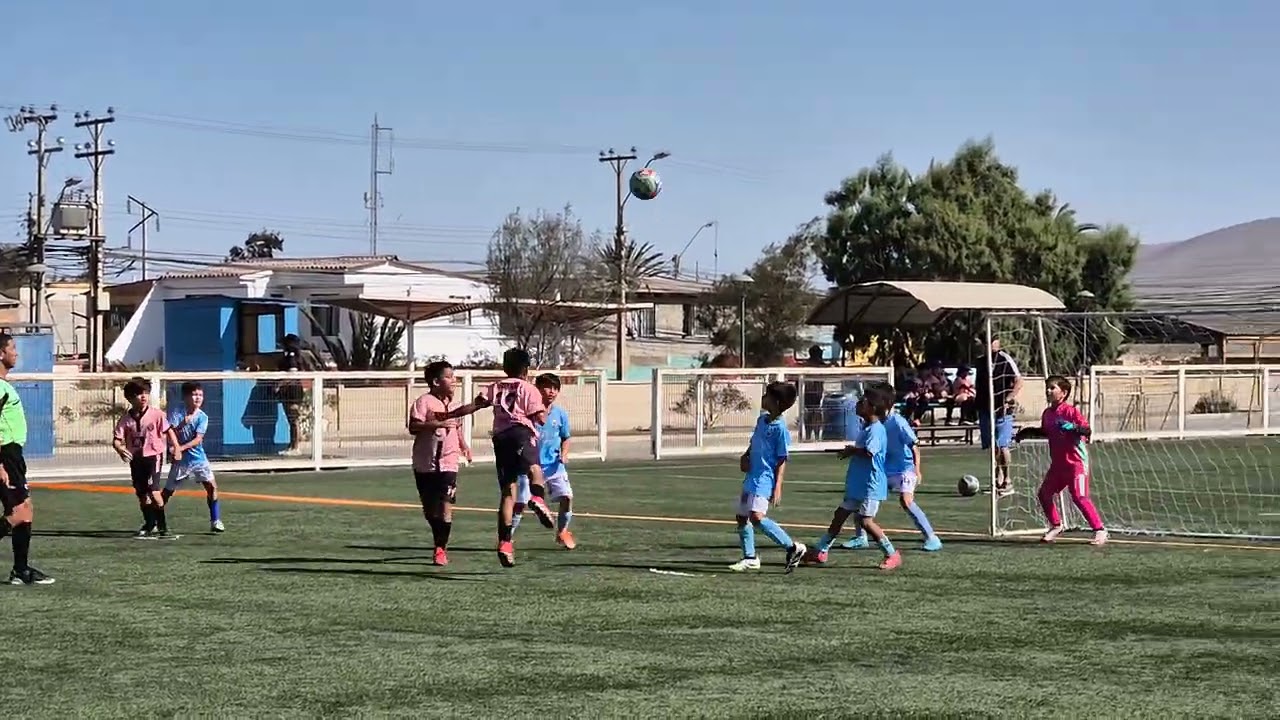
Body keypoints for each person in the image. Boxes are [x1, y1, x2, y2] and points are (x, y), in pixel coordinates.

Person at [441, 347, 554, 568]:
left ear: (505, 367)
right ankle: (538, 499)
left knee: (508, 493)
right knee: (535, 469)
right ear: (526, 369)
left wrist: (451, 414)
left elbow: (475, 405)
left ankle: (505, 543)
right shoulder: (529, 389)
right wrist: (545, 407)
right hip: (521, 432)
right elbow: (540, 419)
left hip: (501, 439)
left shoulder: (495, 387)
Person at [803, 382, 901, 570]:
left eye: (862, 401)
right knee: (839, 515)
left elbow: (870, 452)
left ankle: (892, 553)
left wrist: (852, 451)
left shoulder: (876, 429)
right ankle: (821, 551)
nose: (857, 404)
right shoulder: (866, 428)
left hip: (870, 486)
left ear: (871, 407)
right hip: (858, 484)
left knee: (865, 521)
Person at [1014, 376, 1108, 546]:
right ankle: (1056, 525)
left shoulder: (1071, 412)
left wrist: (1074, 428)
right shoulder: (1047, 414)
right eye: (1047, 388)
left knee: (1079, 496)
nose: (1048, 391)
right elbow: (1046, 432)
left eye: (1052, 388)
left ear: (1063, 393)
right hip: (1058, 465)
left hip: (1076, 464)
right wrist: (1028, 432)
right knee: (1044, 494)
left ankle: (1099, 530)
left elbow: (1087, 430)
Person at [729, 381, 807, 573]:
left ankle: (792, 547)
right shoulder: (761, 421)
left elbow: (782, 458)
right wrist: (746, 455)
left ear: (777, 402)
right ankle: (750, 557)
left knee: (756, 517)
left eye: (767, 395)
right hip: (751, 476)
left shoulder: (780, 429)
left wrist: (778, 485)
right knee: (742, 516)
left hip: (764, 478)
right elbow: (754, 441)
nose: (763, 398)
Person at [841, 404, 943, 551]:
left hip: (904, 469)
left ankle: (932, 538)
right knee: (862, 496)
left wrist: (917, 469)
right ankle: (860, 537)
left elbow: (914, 446)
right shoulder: (872, 422)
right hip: (884, 469)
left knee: (906, 501)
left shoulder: (898, 422)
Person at [407, 360, 473, 567]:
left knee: (446, 503)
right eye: (449, 377)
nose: (454, 381)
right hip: (424, 462)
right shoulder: (423, 402)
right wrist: (436, 424)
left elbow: (457, 428)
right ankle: (438, 536)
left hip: (449, 462)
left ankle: (440, 548)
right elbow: (413, 426)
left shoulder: (454, 405)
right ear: (436, 381)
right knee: (430, 509)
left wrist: (464, 446)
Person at [0, 333, 53, 585]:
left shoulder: (4, 385)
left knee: (25, 511)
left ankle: (21, 570)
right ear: (1, 353)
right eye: (12, 348)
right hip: (5, 455)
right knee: (19, 514)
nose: (16, 353)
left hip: (13, 455)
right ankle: (20, 570)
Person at [511, 373, 576, 549]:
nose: (551, 392)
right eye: (547, 387)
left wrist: (564, 453)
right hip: (530, 466)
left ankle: (562, 532)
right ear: (537, 389)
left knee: (567, 497)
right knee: (520, 503)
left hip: (554, 465)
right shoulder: (528, 413)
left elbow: (565, 437)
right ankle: (507, 538)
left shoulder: (560, 414)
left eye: (555, 388)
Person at [113, 378, 176, 540]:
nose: (143, 397)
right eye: (139, 394)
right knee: (142, 494)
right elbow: (116, 440)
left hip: (153, 456)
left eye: (146, 393)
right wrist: (120, 449)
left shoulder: (157, 414)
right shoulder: (126, 420)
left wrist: (175, 447)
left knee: (154, 490)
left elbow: (169, 431)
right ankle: (149, 524)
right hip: (136, 459)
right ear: (130, 398)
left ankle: (163, 527)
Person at [161, 382, 224, 533]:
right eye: (194, 394)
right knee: (167, 492)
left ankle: (215, 520)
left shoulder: (203, 417)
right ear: (186, 396)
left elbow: (198, 439)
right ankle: (153, 520)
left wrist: (179, 448)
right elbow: (170, 432)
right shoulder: (177, 412)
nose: (198, 398)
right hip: (181, 461)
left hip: (198, 459)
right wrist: (182, 425)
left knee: (212, 487)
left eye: (200, 395)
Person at [974, 338, 1022, 497]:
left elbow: (1018, 381)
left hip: (1003, 410)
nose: (990, 345)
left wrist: (1009, 398)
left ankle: (1008, 480)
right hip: (985, 409)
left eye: (993, 341)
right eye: (987, 342)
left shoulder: (1005, 359)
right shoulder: (980, 362)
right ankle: (997, 479)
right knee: (993, 447)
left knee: (1003, 445)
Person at [278, 333, 307, 454]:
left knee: (293, 419)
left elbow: (292, 375)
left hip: (293, 391)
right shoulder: (293, 356)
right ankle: (291, 445)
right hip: (291, 391)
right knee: (291, 419)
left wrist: (279, 385)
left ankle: (295, 447)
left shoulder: (292, 357)